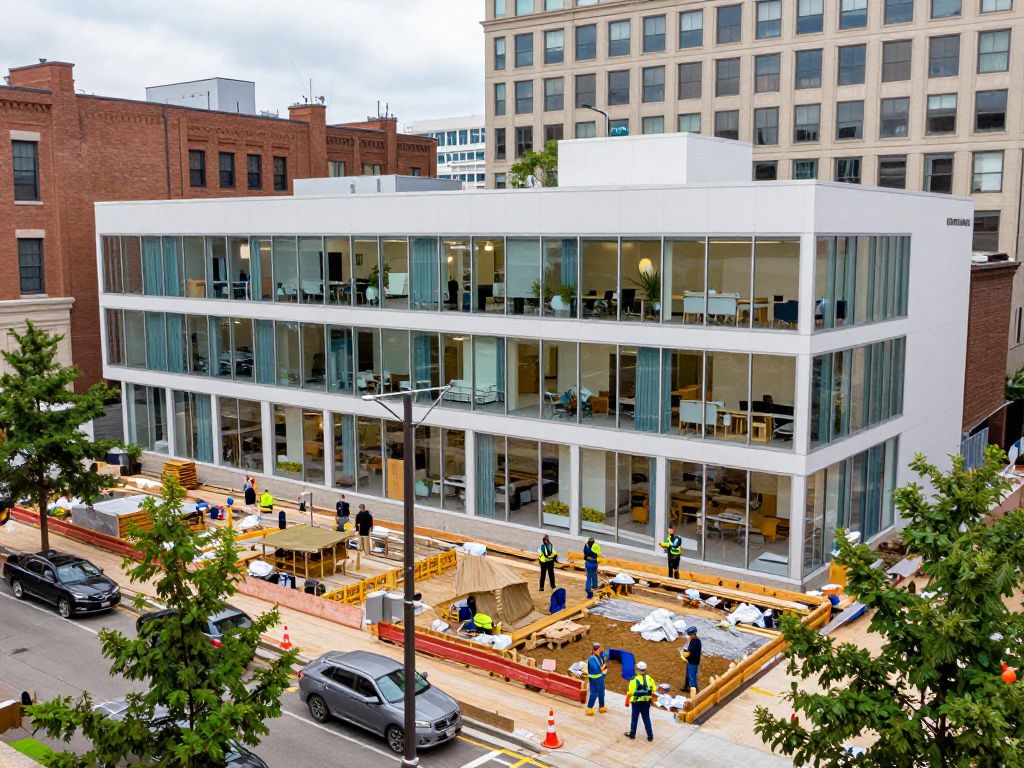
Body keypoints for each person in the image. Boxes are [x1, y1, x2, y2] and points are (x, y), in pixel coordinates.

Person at [624, 661, 656, 742]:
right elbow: (654, 689)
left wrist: (628, 699)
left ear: (637, 669)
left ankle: (632, 734)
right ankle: (650, 736)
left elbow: (631, 691)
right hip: (646, 702)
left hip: (636, 703)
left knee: (634, 718)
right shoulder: (649, 678)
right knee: (646, 718)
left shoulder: (634, 679)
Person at [585, 641, 609, 715]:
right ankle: (589, 708)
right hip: (594, 679)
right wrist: (603, 669)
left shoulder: (600, 656)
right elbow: (596, 669)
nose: (601, 650)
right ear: (595, 650)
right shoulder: (591, 659)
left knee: (602, 692)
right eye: (599, 649)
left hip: (600, 678)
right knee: (594, 693)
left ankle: (601, 707)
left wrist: (604, 671)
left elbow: (603, 664)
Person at [682, 626, 702, 692]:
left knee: (692, 677)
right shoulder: (693, 640)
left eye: (689, 634)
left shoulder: (696, 642)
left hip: (693, 662)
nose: (688, 636)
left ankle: (694, 691)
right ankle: (686, 687)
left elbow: (690, 652)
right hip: (690, 661)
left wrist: (684, 654)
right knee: (688, 676)